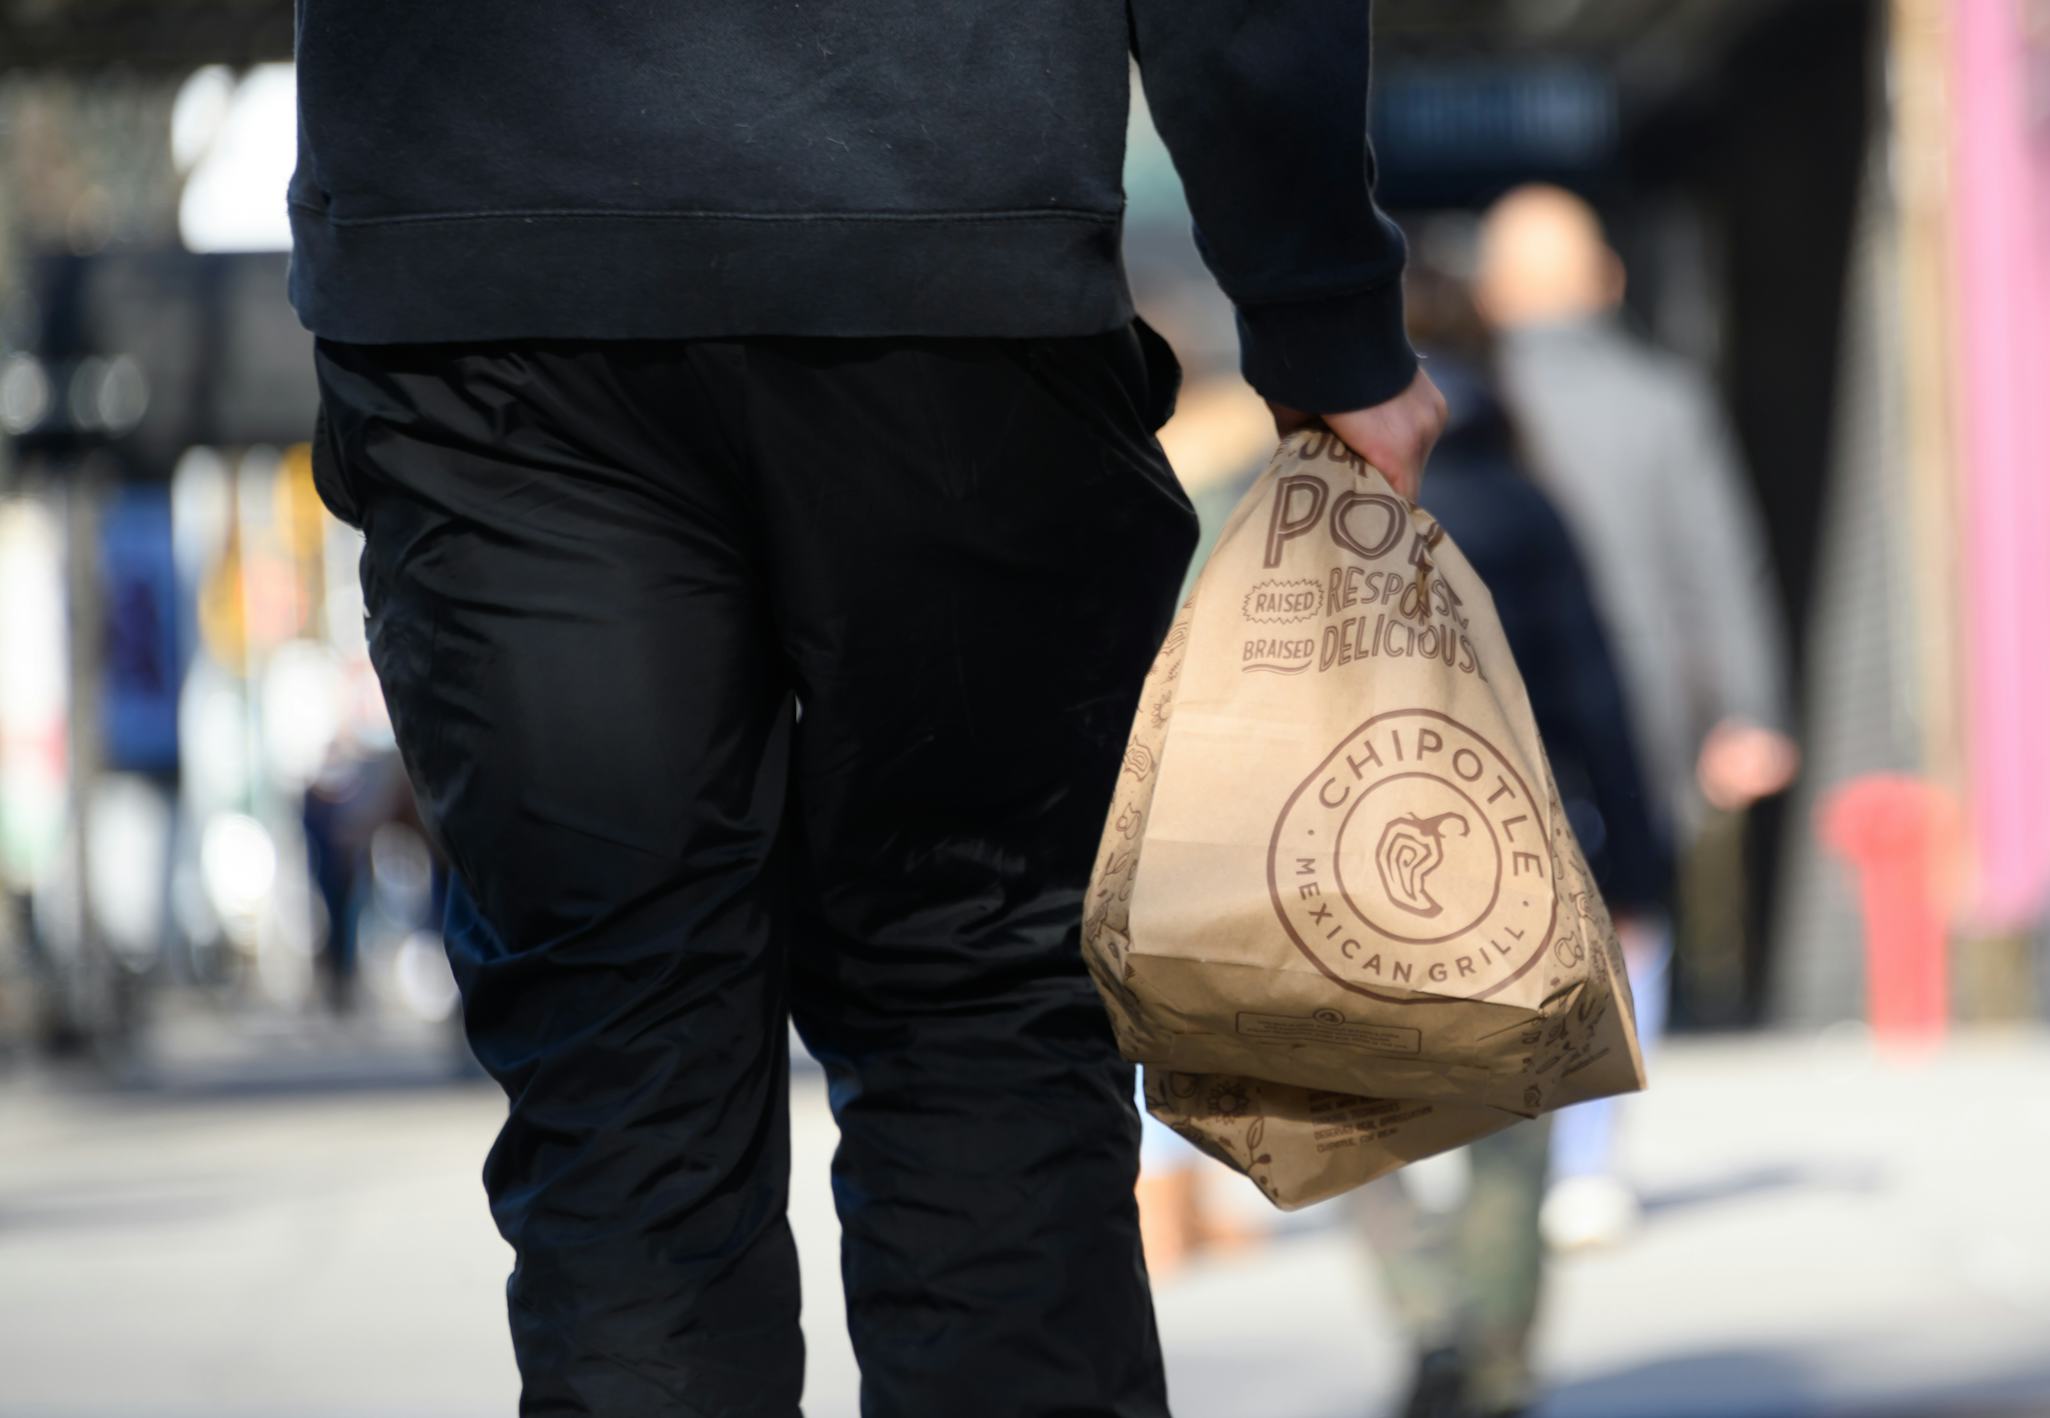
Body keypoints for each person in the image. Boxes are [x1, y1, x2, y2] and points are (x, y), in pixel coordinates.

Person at [288, 5, 1445, 1414]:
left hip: (486, 270)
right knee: (981, 1007)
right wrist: (1326, 312)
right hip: (942, 233)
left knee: (622, 1054)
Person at [1351, 269, 1670, 1418]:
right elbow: (1592, 688)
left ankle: (1428, 1309)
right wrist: (1632, 858)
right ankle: (1495, 1351)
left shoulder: (1296, 498)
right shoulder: (1522, 502)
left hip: (1343, 849)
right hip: (1508, 847)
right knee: (1511, 1114)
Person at [1474, 184, 1797, 1250]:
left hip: (1489, 694)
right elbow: (1720, 560)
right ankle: (1587, 1162)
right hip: (1639, 696)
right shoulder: (1662, 400)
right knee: (1626, 918)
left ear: (1490, 290)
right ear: (1605, 281)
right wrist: (1745, 708)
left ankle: (1506, 1147)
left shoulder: (1458, 406)